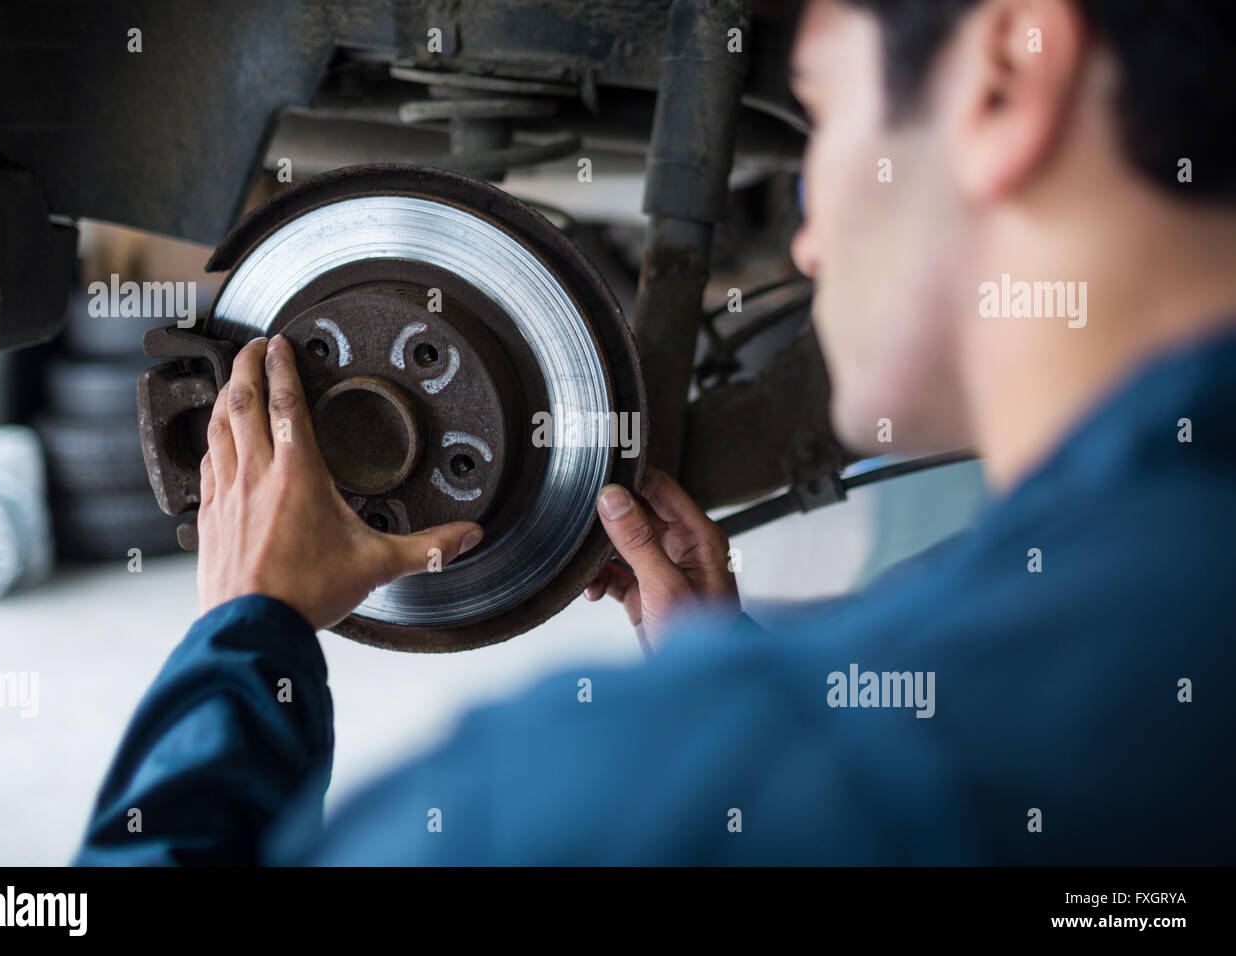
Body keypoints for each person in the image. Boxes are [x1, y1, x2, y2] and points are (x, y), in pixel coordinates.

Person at [75, 0, 1236, 864]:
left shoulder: (638, 785)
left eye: (820, 111)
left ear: (1003, 77)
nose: (807, 239)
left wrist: (246, 635)